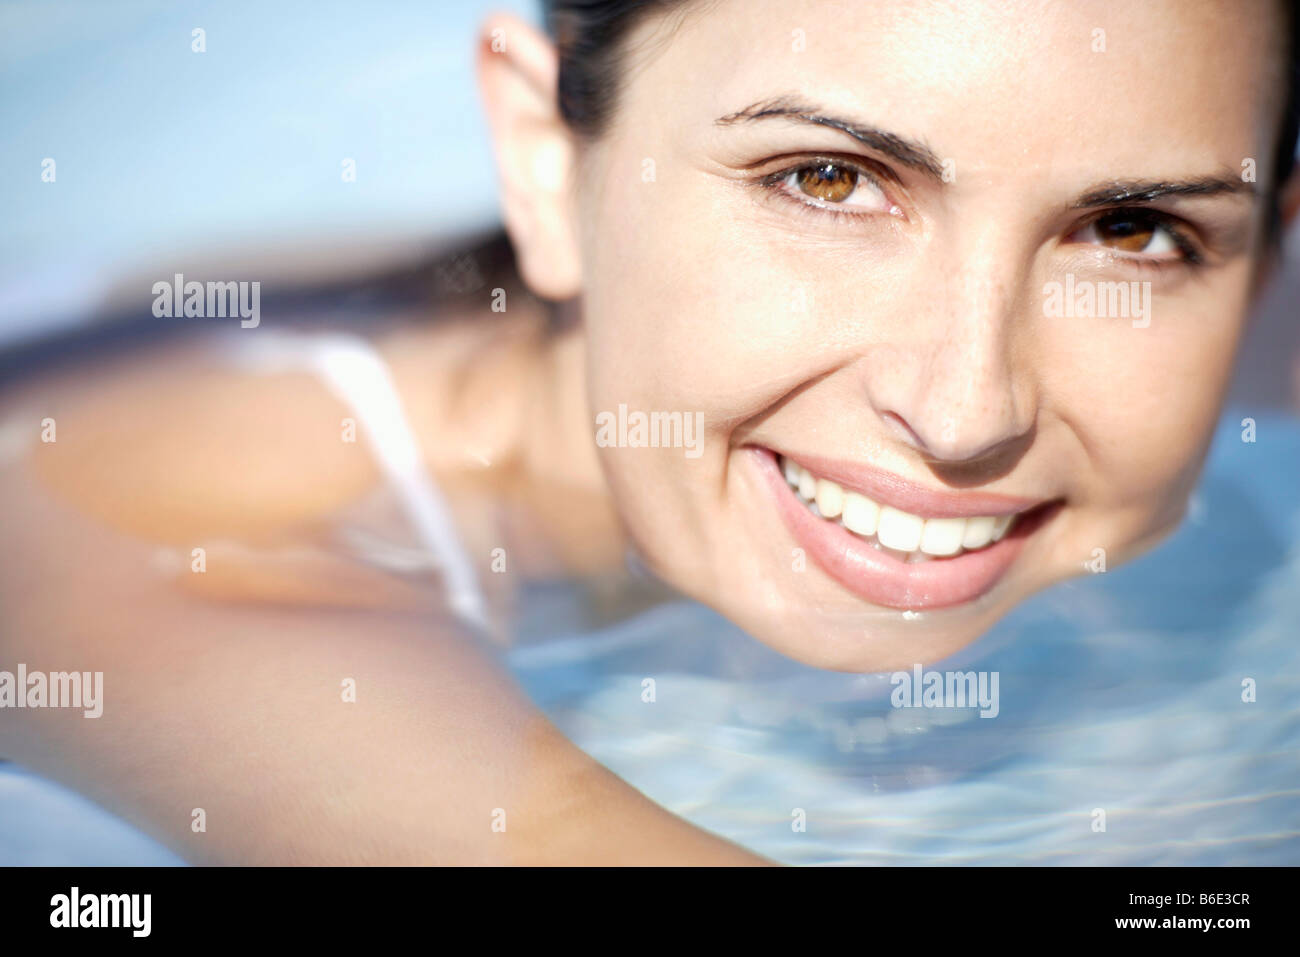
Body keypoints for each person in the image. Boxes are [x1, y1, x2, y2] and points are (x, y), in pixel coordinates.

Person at [1, 0, 1297, 864]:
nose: (966, 411)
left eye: (1131, 229)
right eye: (825, 180)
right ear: (544, 161)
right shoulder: (192, 584)